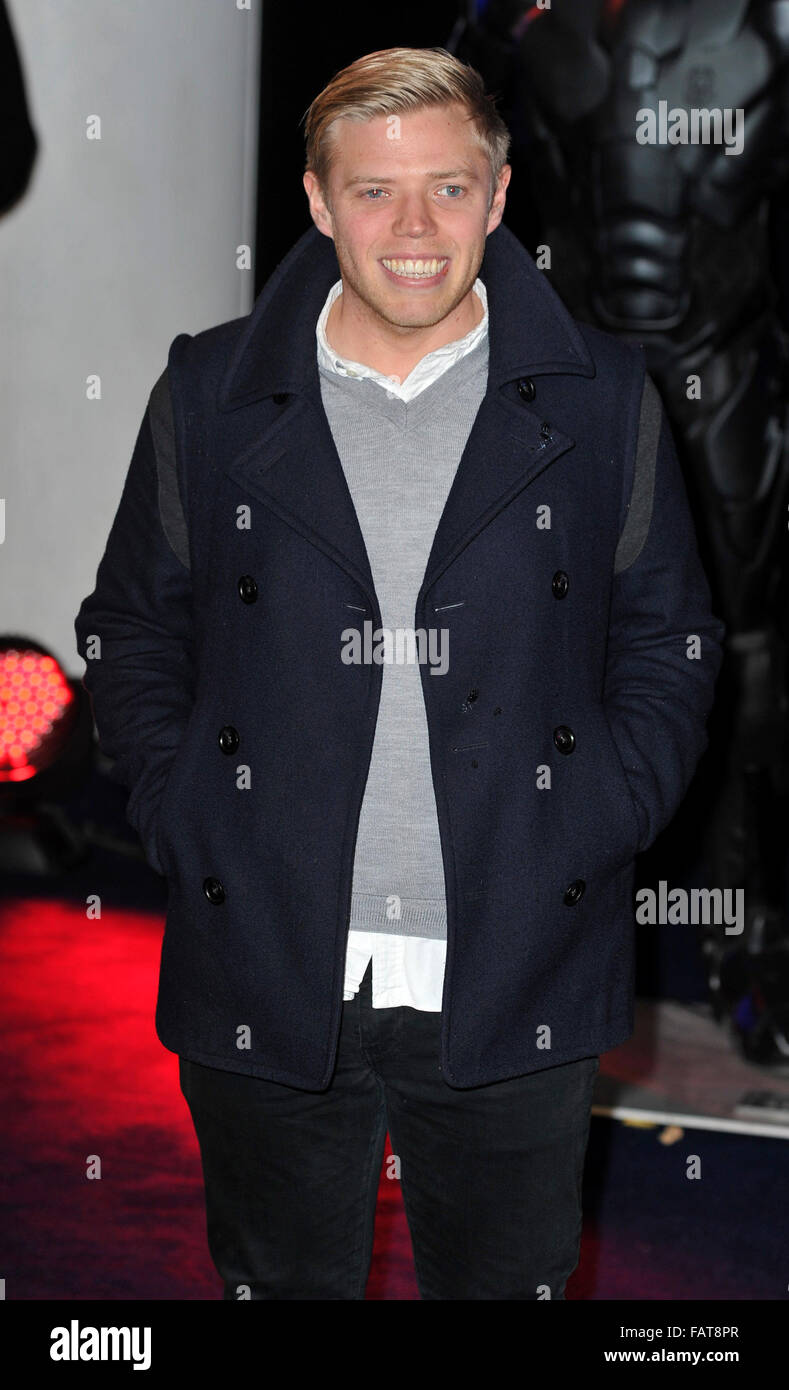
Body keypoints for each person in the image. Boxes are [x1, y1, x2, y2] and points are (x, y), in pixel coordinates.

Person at [74, 46, 725, 1300]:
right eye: (374, 192)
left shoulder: (600, 402)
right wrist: (184, 810)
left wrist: (601, 819)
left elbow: (669, 642)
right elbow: (131, 627)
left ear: (500, 192)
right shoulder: (212, 390)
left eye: (448, 188)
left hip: (518, 952)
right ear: (317, 202)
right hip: (265, 953)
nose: (414, 230)